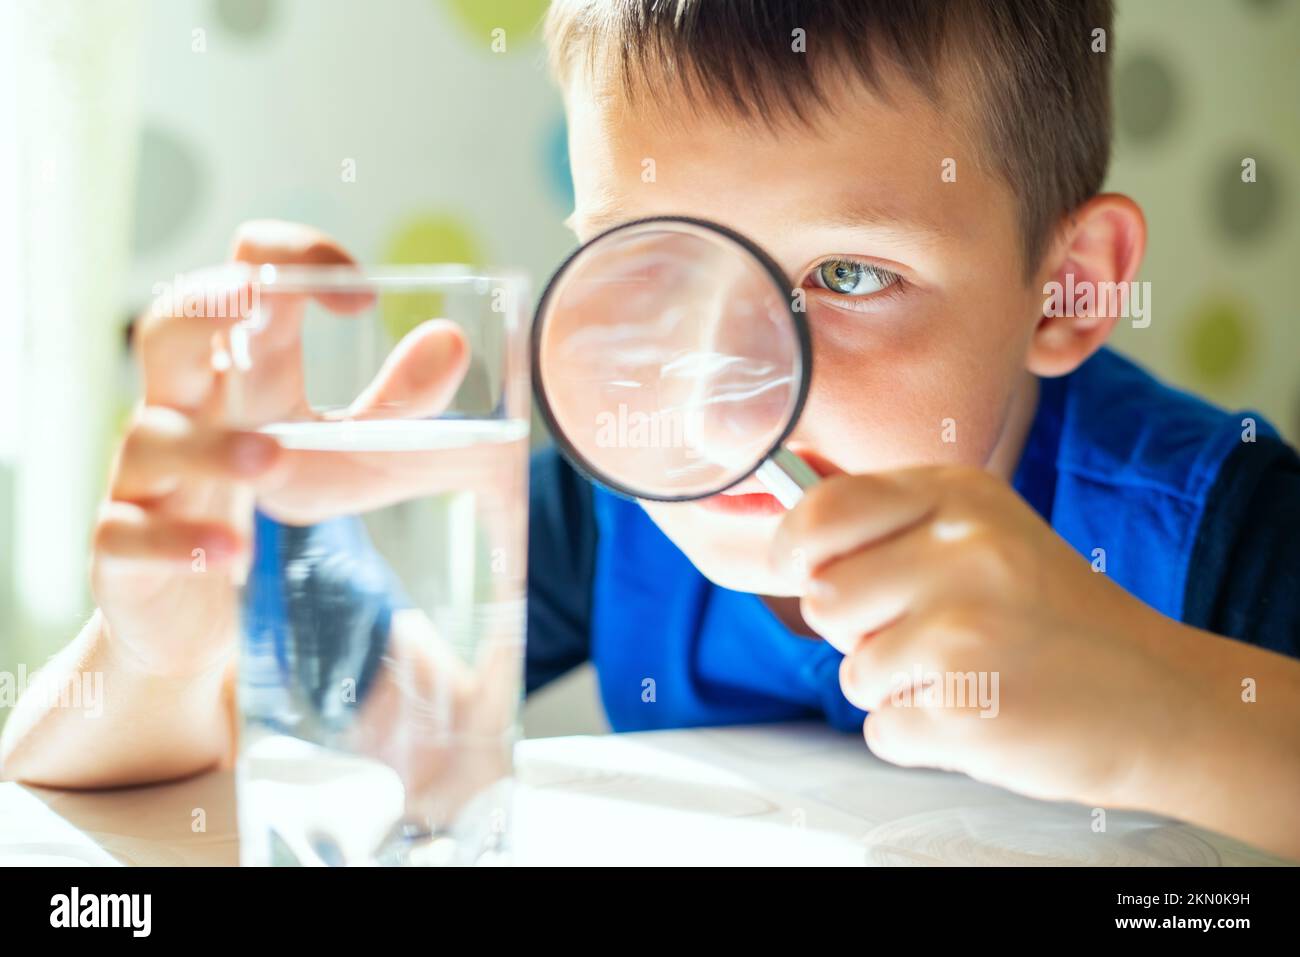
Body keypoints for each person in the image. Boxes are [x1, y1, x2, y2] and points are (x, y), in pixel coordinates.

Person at [4, 0, 1299, 858]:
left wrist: (1161, 708)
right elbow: (144, 769)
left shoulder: (1211, 518)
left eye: (848, 276)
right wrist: (160, 644)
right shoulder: (613, 506)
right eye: (656, 266)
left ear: (1070, 286)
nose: (722, 375)